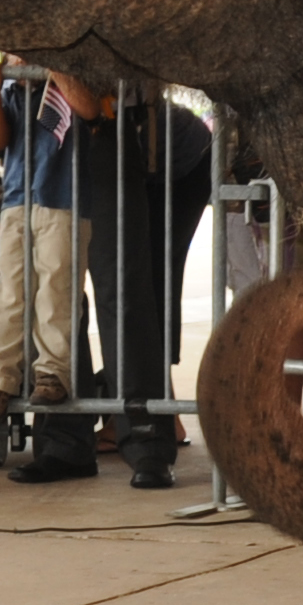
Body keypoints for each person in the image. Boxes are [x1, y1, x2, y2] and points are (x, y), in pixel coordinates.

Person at [76, 72, 212, 489]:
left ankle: (160, 417)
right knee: (142, 282)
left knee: (151, 281)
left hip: (179, 168)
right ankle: (156, 411)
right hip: (148, 167)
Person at [0, 60, 97, 425]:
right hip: (16, 200)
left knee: (57, 288)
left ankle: (53, 373)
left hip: (65, 201)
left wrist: (53, 68)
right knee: (9, 290)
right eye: (13, 55)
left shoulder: (68, 82)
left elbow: (89, 110)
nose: (19, 61)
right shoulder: (12, 92)